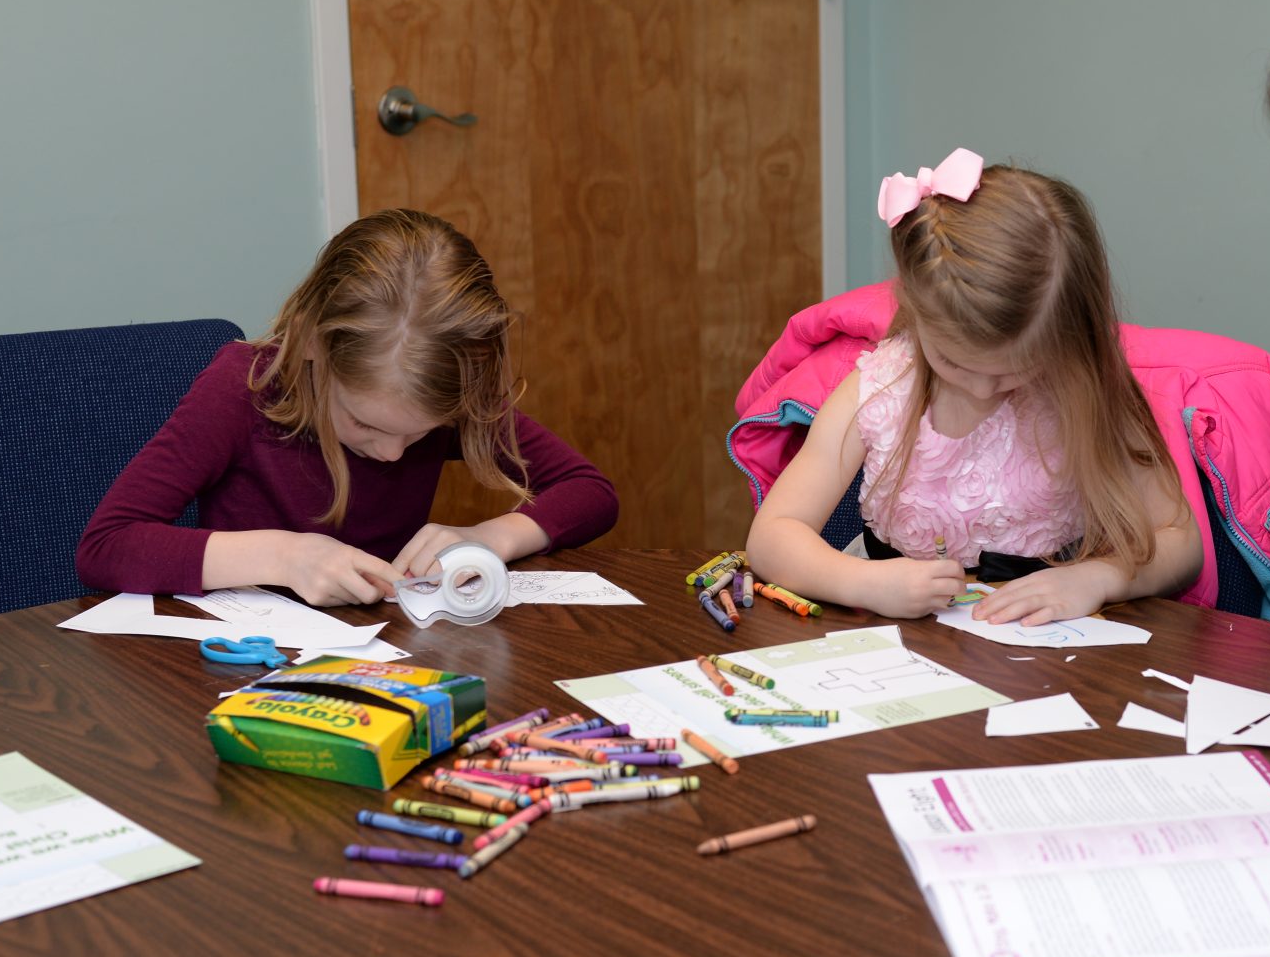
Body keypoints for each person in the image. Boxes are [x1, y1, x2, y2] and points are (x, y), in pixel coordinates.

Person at [745, 149, 1204, 624]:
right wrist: (867, 583)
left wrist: (1099, 577)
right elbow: (773, 536)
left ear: (1068, 337)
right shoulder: (881, 390)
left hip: (1047, 646)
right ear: (911, 306)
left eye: (1014, 370)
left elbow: (1181, 543)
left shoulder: (1083, 392)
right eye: (954, 362)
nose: (984, 390)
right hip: (894, 634)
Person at [76, 209, 618, 605]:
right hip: (245, 661)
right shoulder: (244, 390)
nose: (391, 452)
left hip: (388, 654)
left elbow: (590, 492)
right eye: (365, 423)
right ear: (314, 344)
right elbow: (106, 546)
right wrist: (286, 557)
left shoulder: (441, 389)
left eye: (420, 434)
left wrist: (488, 538)